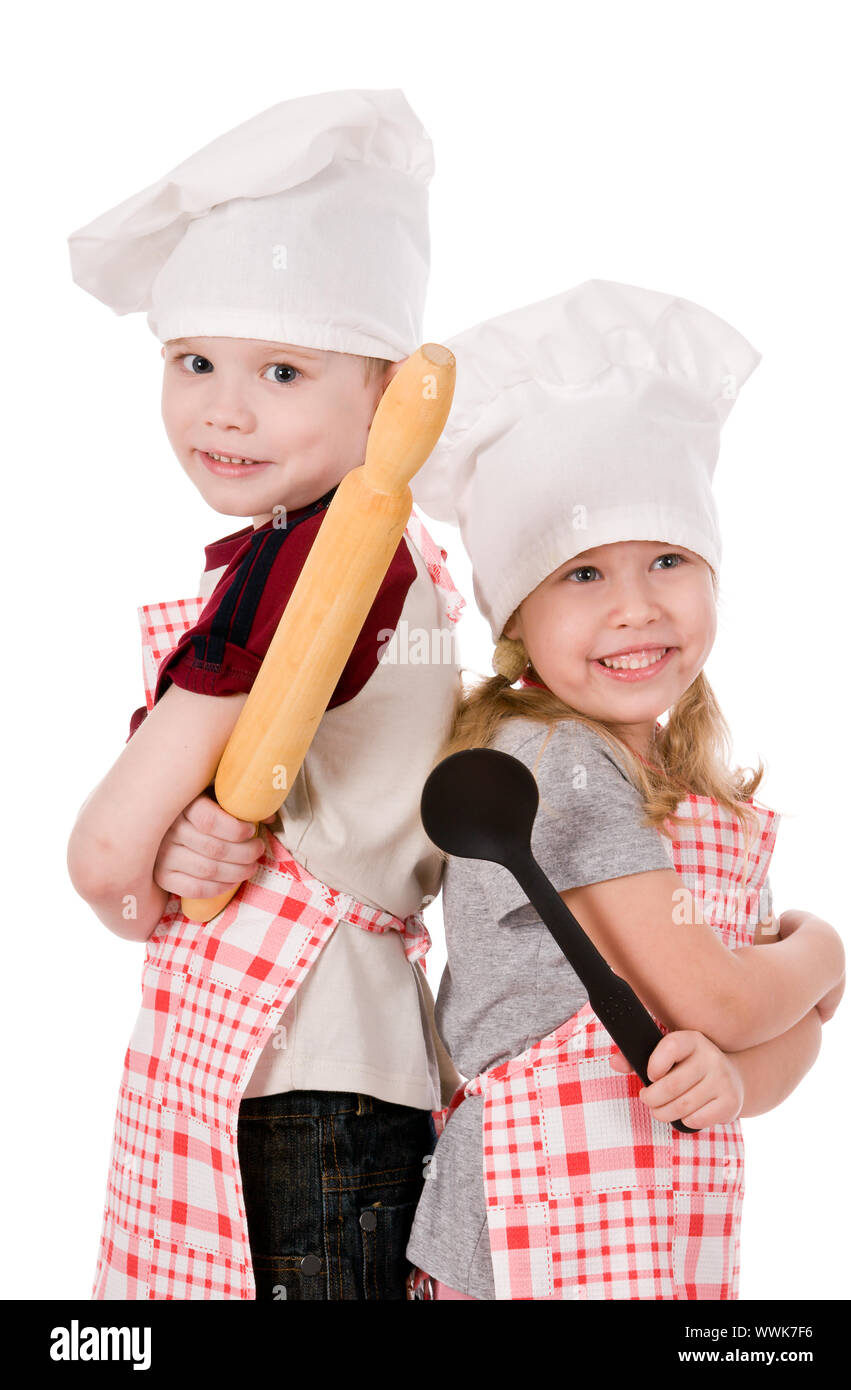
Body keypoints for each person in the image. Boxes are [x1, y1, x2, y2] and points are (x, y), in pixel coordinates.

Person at [65, 89, 464, 1301]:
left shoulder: (312, 563)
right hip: (358, 1057)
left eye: (282, 369)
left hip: (295, 1063)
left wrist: (142, 872)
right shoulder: (390, 545)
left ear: (386, 396)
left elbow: (105, 851)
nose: (222, 409)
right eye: (193, 362)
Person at [404, 279, 846, 1300]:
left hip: (653, 1210)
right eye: (580, 575)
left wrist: (740, 1075)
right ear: (516, 617)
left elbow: (747, 1048)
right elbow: (721, 996)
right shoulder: (557, 762)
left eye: (664, 558)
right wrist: (822, 955)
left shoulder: (679, 778)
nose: (635, 607)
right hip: (530, 1218)